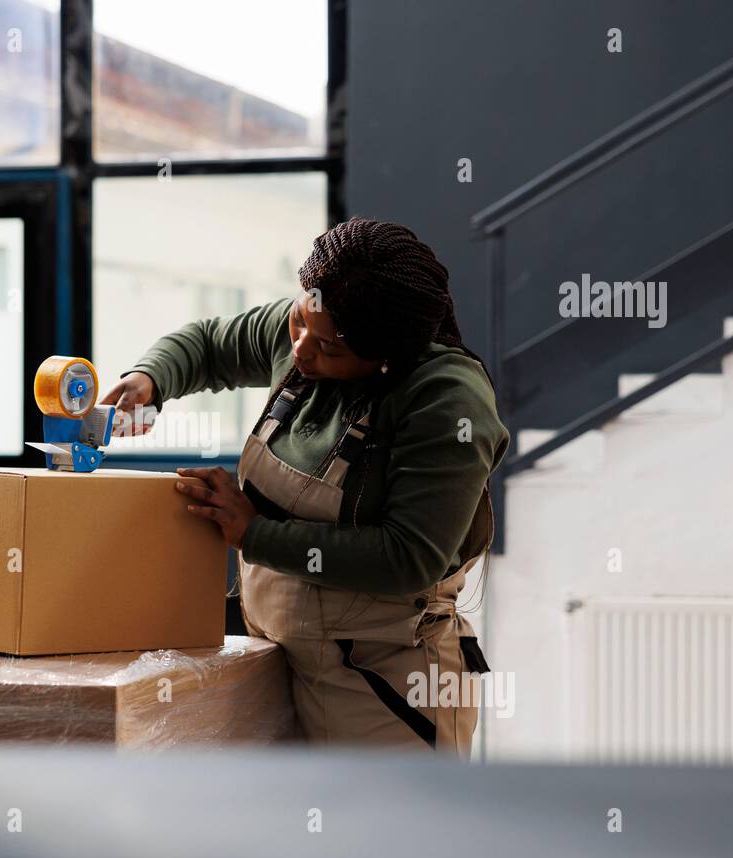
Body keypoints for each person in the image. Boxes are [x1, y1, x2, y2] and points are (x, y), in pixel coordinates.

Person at [101, 218, 509, 756]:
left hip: (387, 683)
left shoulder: (446, 402)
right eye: (298, 320)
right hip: (276, 658)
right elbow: (206, 346)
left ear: (386, 354)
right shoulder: (312, 329)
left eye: (329, 349)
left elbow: (407, 557)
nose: (299, 350)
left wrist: (254, 533)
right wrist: (150, 379)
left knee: (379, 835)